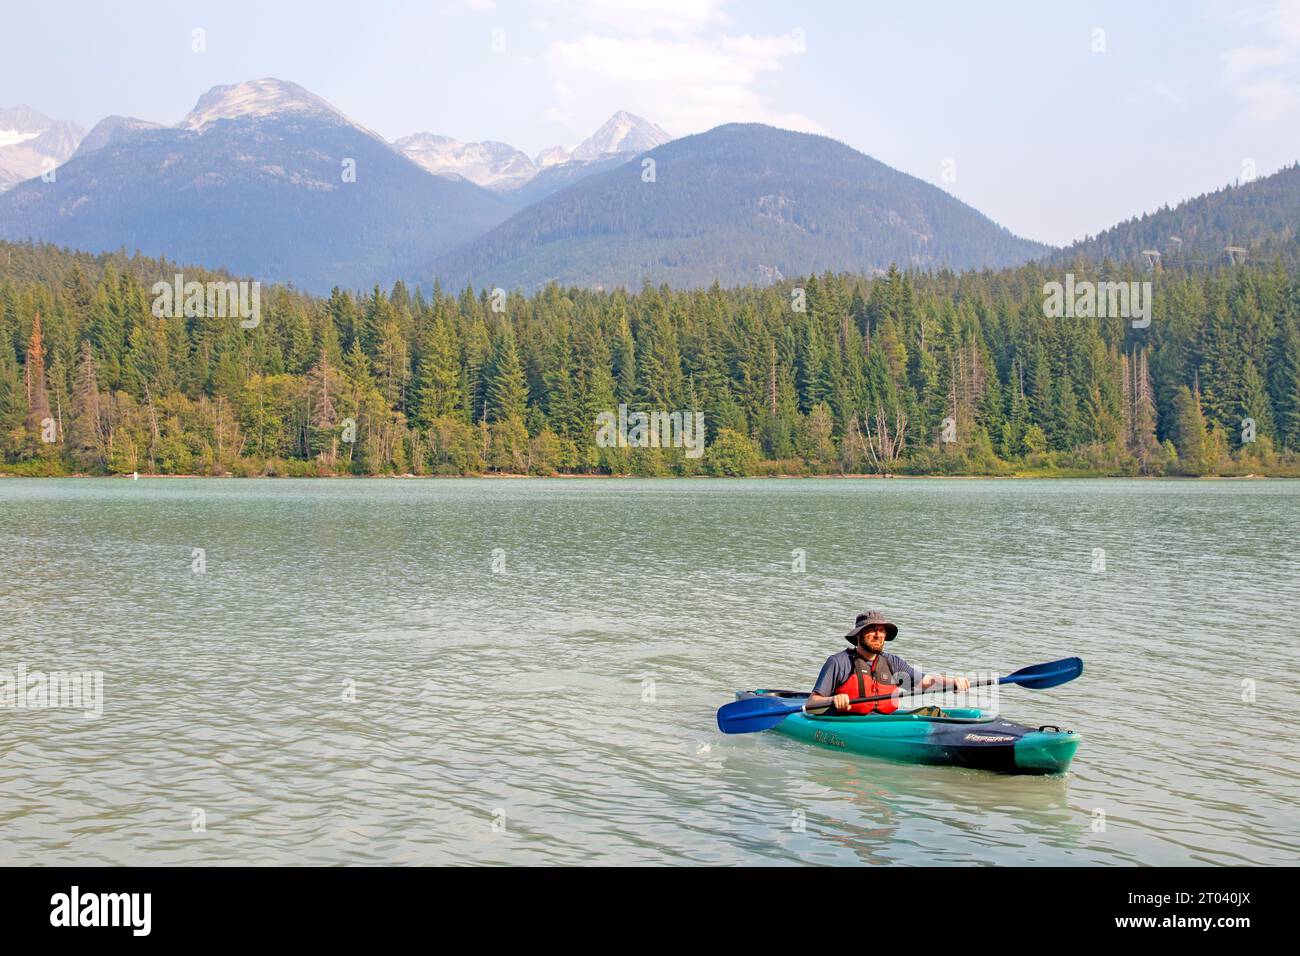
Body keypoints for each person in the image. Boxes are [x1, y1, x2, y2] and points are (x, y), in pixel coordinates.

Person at [804, 611, 971, 715]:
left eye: (882, 630)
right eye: (871, 630)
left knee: (934, 713)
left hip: (884, 721)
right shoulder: (838, 662)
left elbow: (926, 682)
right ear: (857, 636)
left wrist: (953, 682)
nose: (878, 635)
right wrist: (834, 699)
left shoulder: (893, 663)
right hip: (849, 724)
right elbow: (811, 704)